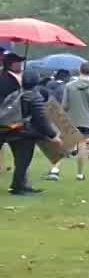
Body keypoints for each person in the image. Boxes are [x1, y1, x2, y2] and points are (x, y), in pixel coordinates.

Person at [1, 51, 40, 195]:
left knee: (22, 157)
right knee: (23, 157)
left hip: (8, 123)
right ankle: (19, 186)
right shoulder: (8, 80)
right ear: (11, 64)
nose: (21, 65)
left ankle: (22, 184)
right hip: (11, 123)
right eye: (18, 62)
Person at [59, 67, 89, 182]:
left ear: (80, 70)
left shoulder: (69, 86)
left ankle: (55, 169)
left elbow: (64, 105)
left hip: (71, 119)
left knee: (65, 144)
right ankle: (80, 174)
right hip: (86, 121)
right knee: (83, 146)